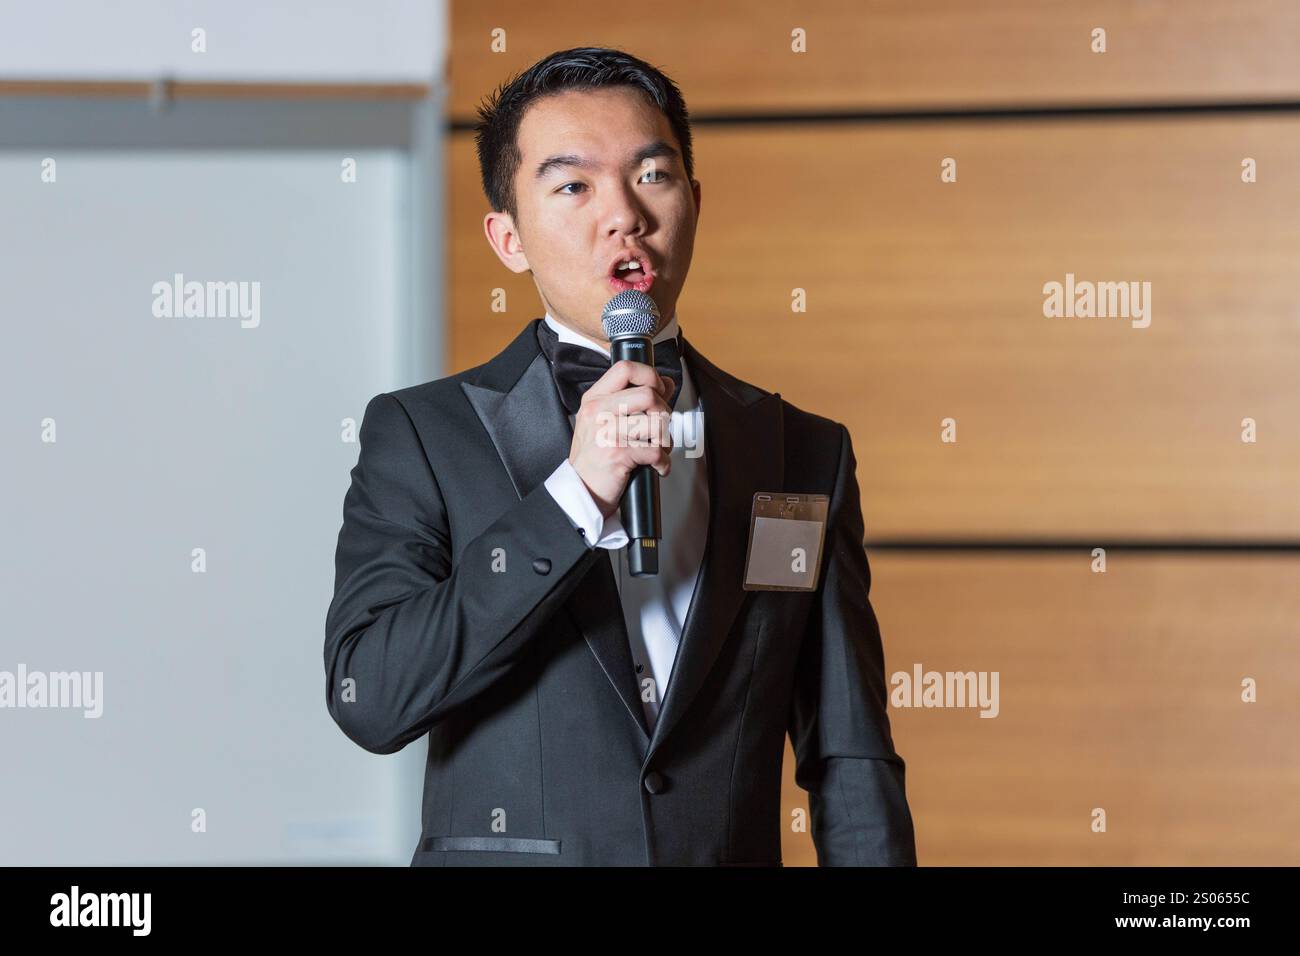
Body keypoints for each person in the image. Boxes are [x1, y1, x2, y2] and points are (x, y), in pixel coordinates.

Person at [324, 46, 917, 866]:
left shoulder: (800, 455)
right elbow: (372, 699)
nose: (624, 216)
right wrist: (573, 497)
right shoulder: (422, 435)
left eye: (652, 176)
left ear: (695, 203)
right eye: (573, 185)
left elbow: (848, 753)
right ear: (509, 238)